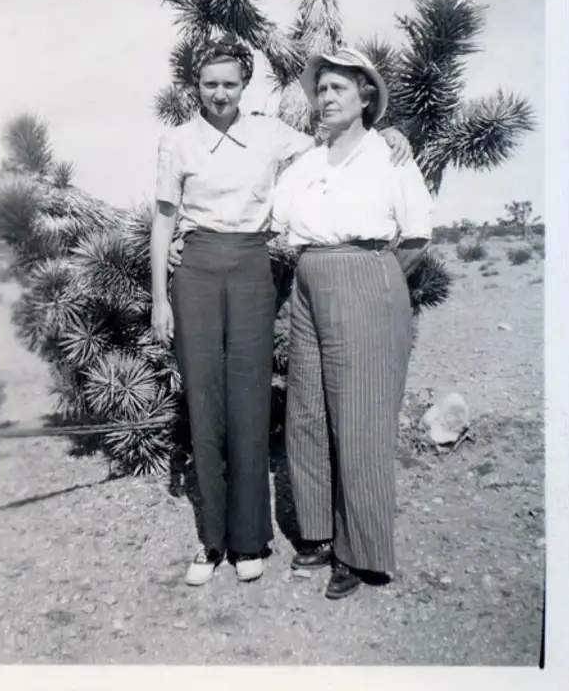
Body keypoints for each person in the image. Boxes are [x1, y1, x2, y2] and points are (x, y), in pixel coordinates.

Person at [151, 34, 412, 587]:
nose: (220, 93)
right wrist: (165, 281)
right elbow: (164, 220)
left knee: (256, 404)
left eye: (230, 83)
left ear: (245, 85)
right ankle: (219, 541)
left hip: (260, 268)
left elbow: (343, 148)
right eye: (208, 83)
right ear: (194, 86)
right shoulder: (179, 141)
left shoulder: (273, 134)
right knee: (238, 406)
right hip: (206, 268)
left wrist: (389, 133)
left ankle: (255, 540)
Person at [272, 47, 433, 600]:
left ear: (366, 96)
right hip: (308, 280)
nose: (326, 98)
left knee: (360, 419)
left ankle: (358, 551)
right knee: (308, 410)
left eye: (338, 88)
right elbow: (273, 226)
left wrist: (374, 281)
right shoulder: (304, 165)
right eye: (321, 90)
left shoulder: (390, 156)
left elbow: (415, 238)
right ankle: (317, 534)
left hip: (366, 276)